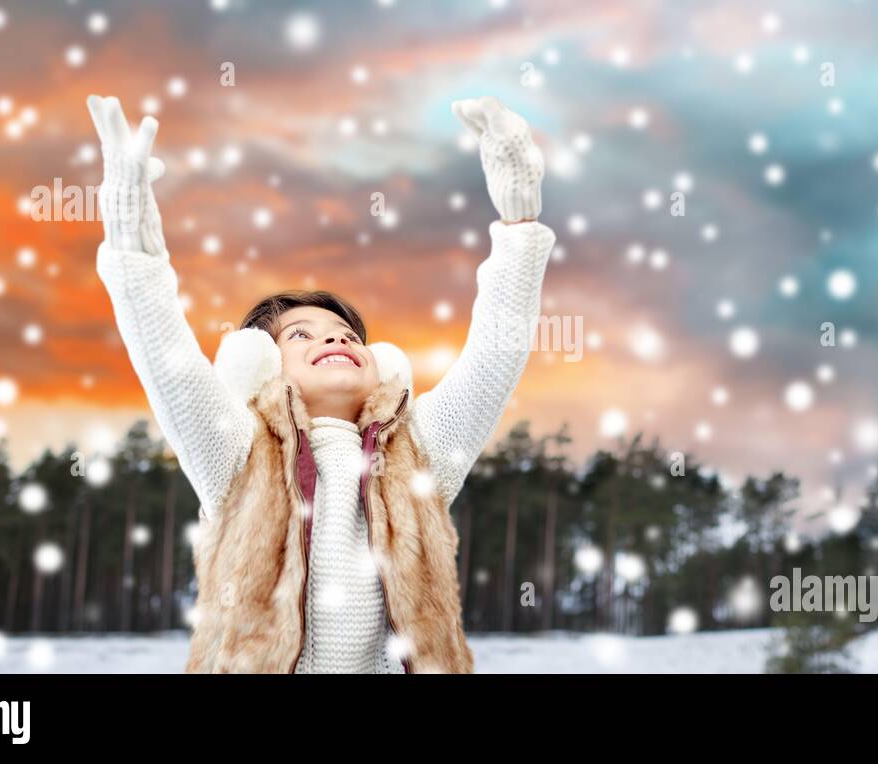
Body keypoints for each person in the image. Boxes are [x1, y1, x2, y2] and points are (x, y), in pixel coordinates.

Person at [86, 94, 555, 673]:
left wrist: (520, 228)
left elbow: (494, 357)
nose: (334, 341)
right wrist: (134, 250)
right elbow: (166, 359)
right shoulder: (237, 450)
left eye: (345, 334)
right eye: (301, 336)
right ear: (262, 365)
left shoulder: (417, 452)